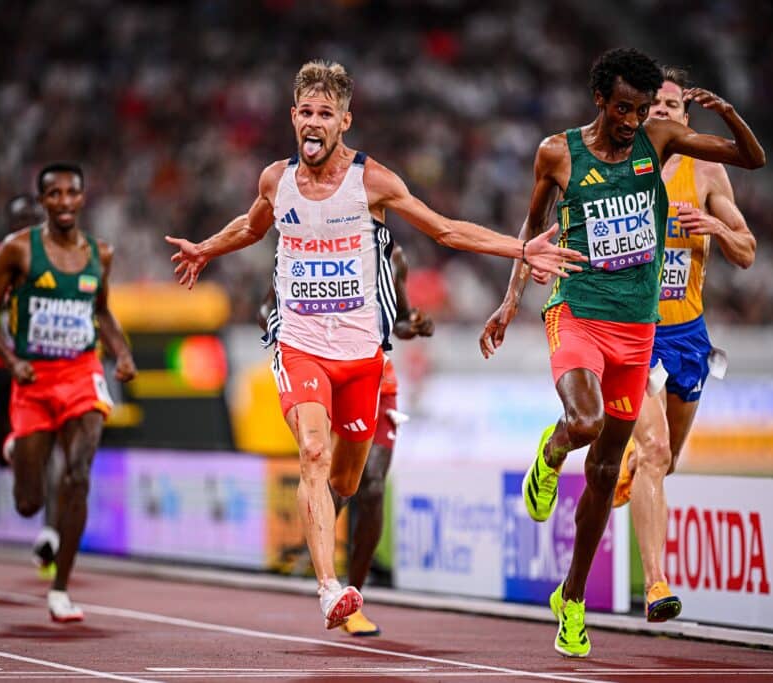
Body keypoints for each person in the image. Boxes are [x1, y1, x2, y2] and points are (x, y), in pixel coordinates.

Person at [166, 59, 582, 631]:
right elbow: (251, 225)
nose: (314, 123)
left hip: (363, 356)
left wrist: (521, 250)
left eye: (325, 114)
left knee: (347, 480)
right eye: (305, 113)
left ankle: (324, 550)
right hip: (300, 344)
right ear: (293, 117)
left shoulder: (372, 182)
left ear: (344, 121)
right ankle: (328, 588)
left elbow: (446, 230)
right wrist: (206, 249)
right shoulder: (275, 180)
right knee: (312, 453)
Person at [479, 47, 764, 658]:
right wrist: (508, 304)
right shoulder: (558, 153)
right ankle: (551, 453)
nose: (634, 120)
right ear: (600, 101)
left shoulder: (659, 139)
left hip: (639, 326)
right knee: (586, 421)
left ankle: (573, 600)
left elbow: (752, 157)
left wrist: (731, 114)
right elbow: (530, 233)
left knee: (608, 472)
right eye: (624, 109)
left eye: (642, 109)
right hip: (577, 311)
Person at [611, 67, 757, 623]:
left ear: (686, 118)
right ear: (641, 112)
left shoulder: (707, 171)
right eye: (656, 106)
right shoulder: (622, 166)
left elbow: (746, 251)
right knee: (654, 450)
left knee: (664, 461)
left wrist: (714, 229)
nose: (664, 112)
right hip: (636, 329)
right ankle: (656, 586)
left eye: (674, 106)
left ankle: (632, 460)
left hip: (689, 333)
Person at [0, 162, 136, 622]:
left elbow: (102, 312)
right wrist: (11, 361)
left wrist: (122, 354)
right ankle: (16, 449)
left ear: (83, 199)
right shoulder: (18, 251)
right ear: (43, 201)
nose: (64, 202)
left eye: (72, 193)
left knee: (78, 475)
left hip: (81, 374)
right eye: (55, 194)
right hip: (32, 381)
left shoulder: (99, 254)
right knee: (29, 503)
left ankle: (61, 588)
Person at [258, 242, 433, 636]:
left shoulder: (390, 256)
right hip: (318, 371)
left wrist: (416, 323)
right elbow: (265, 307)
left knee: (369, 485)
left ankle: (354, 597)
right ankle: (328, 580)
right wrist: (280, 329)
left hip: (374, 380)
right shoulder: (303, 246)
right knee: (330, 478)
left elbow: (399, 321)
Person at [0, 195, 65, 578]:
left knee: (50, 450)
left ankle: (50, 534)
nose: (29, 229)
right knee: (1, 456)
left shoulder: (57, 258)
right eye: (21, 222)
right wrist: (0, 300)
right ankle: (13, 450)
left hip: (34, 367)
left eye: (35, 221)